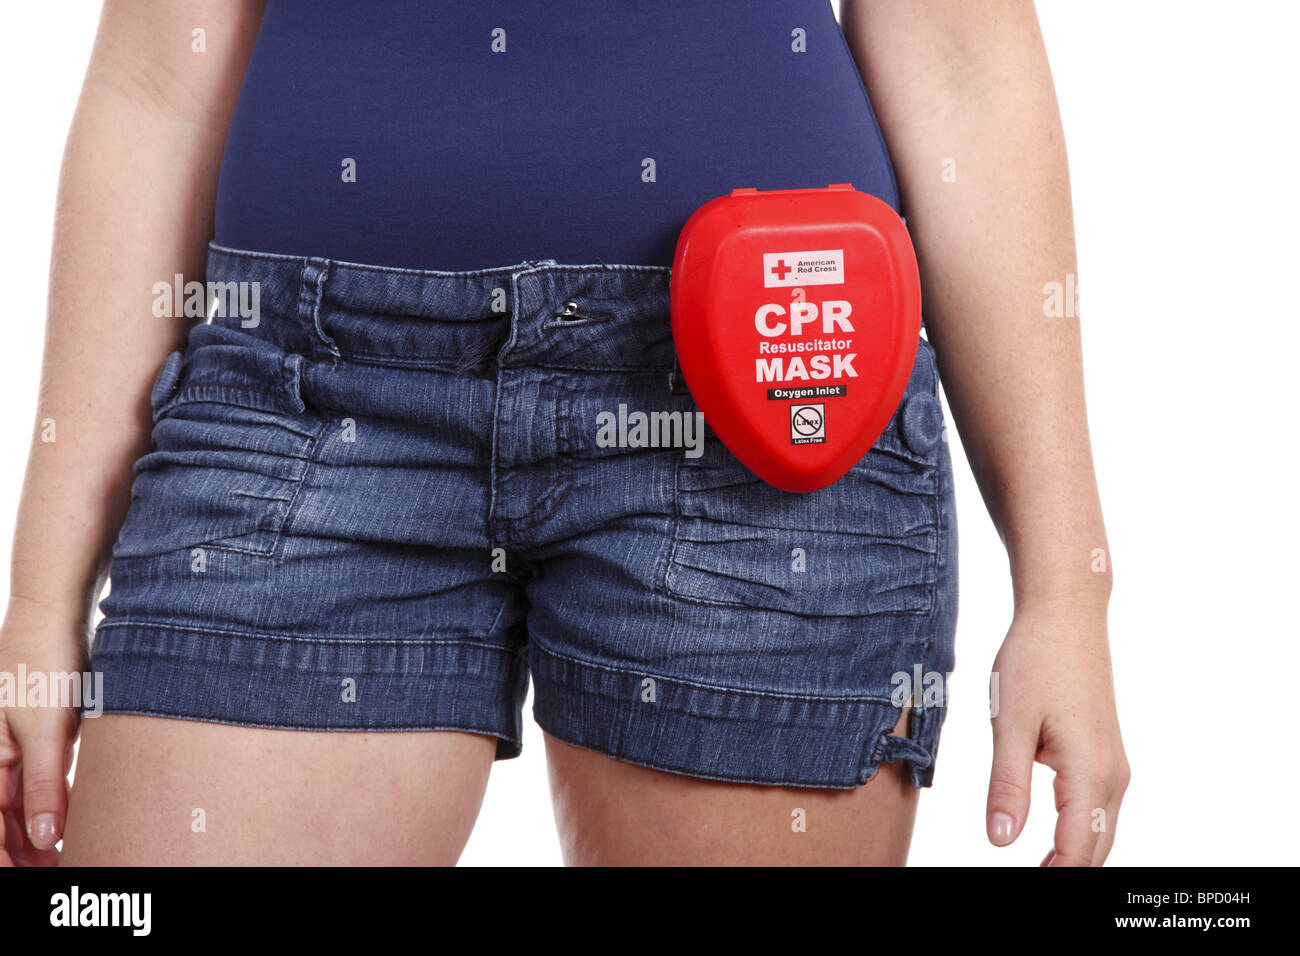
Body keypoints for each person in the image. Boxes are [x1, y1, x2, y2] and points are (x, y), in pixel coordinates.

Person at [0, 0, 1127, 866]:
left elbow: (962, 60)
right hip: (306, 391)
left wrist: (1069, 590)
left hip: (761, 394)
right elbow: (158, 73)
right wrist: (40, 597)